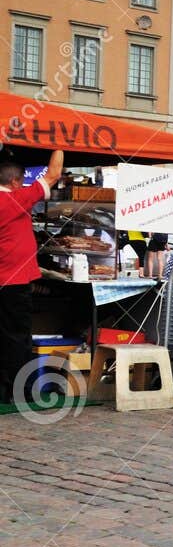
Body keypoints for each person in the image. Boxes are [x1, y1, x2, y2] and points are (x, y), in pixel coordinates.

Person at [0, 150, 63, 403]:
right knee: (18, 337)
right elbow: (54, 174)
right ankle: (20, 392)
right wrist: (58, 143)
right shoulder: (14, 199)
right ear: (15, 182)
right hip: (13, 282)